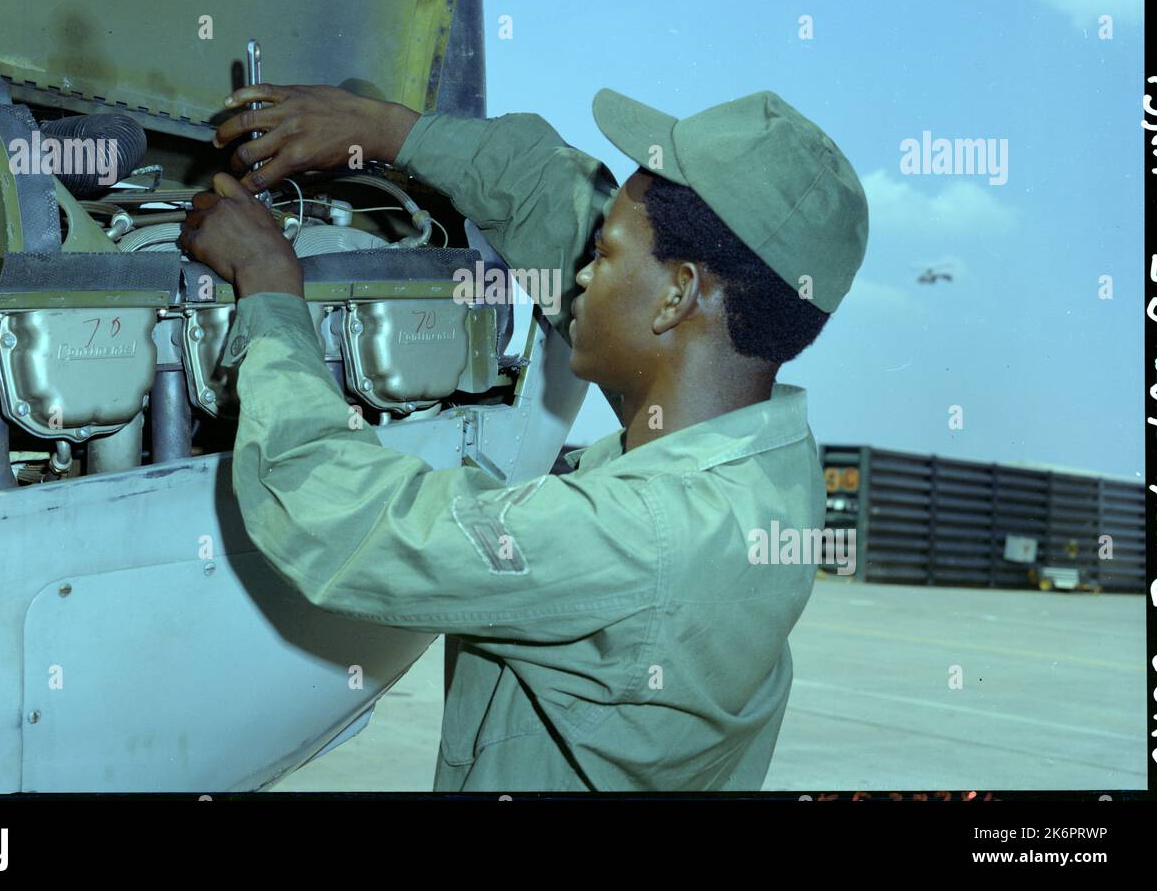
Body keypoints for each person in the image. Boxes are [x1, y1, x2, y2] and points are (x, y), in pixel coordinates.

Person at [178, 83, 869, 791]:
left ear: (677, 295)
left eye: (603, 254)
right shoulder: (764, 454)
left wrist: (267, 289)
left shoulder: (645, 536)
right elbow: (560, 202)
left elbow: (340, 519)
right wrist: (389, 131)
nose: (579, 275)